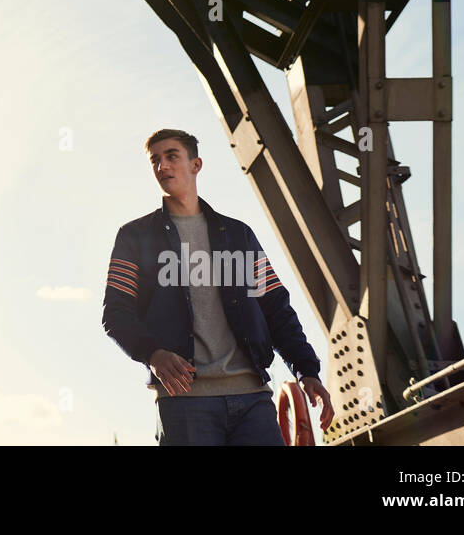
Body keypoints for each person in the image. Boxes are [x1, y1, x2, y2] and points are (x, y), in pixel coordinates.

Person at [102, 127, 334, 445]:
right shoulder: (135, 236)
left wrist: (306, 370)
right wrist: (152, 354)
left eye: (172, 156)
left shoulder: (238, 235)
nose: (162, 166)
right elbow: (116, 314)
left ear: (196, 165)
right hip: (183, 400)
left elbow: (276, 308)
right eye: (155, 160)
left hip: (253, 397)